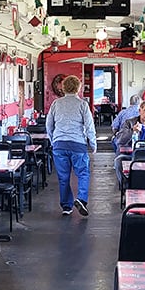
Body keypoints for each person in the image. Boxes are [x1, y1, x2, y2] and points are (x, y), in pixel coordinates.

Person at [46, 74, 97, 216]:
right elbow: (89, 126)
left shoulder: (56, 104)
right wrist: (93, 144)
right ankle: (81, 199)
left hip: (59, 145)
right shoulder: (82, 104)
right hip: (78, 145)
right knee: (83, 174)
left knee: (63, 177)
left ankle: (66, 207)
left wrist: (53, 140)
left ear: (63, 88)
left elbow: (49, 125)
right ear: (79, 88)